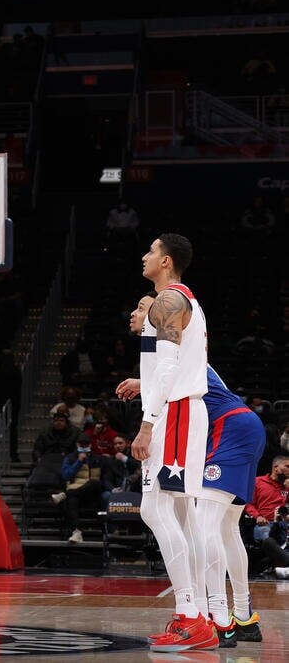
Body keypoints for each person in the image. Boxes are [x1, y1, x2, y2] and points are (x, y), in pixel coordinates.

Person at [119, 293, 267, 644]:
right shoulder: (178, 354)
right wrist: (144, 384)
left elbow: (177, 384)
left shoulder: (174, 346)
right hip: (242, 426)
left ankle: (218, 619)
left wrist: (146, 404)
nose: (136, 313)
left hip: (227, 429)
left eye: (141, 307)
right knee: (227, 528)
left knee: (202, 525)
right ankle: (243, 617)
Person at [121, 235, 216, 651]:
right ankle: (196, 615)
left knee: (156, 510)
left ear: (166, 260)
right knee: (178, 516)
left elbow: (169, 369)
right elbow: (166, 366)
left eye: (150, 250)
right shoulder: (179, 301)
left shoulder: (168, 300)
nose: (143, 256)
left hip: (174, 414)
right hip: (182, 410)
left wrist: (147, 424)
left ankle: (192, 613)